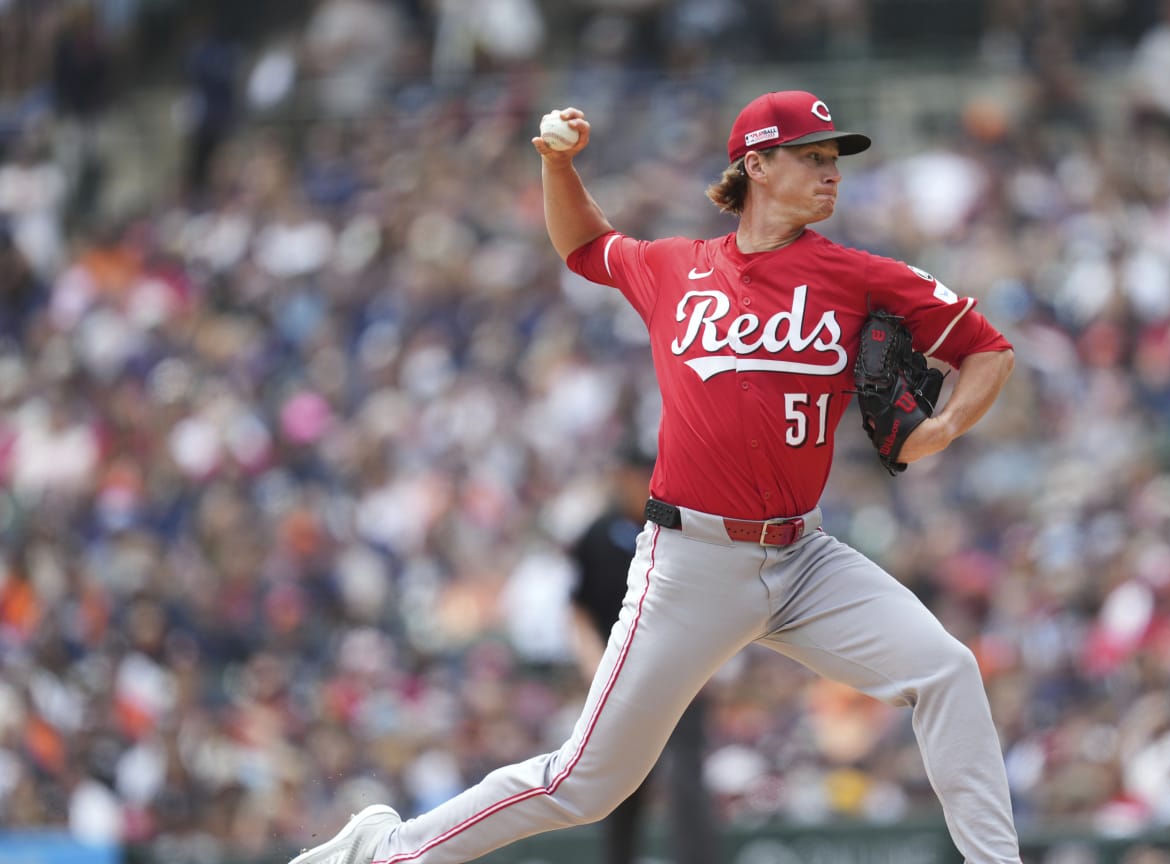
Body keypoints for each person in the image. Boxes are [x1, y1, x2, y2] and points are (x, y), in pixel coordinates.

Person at [289, 89, 1021, 864]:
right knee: (585, 782)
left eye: (834, 159)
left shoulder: (858, 277)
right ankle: (384, 851)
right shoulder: (677, 268)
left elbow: (988, 347)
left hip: (805, 560)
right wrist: (559, 165)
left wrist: (940, 428)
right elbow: (583, 246)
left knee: (947, 670)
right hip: (691, 563)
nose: (831, 173)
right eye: (812, 157)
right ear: (757, 165)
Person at [566, 447, 718, 864]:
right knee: (621, 783)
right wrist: (595, 667)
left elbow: (705, 602)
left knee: (686, 778)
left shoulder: (680, 526)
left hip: (679, 673)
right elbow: (578, 608)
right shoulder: (599, 534)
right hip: (621, 676)